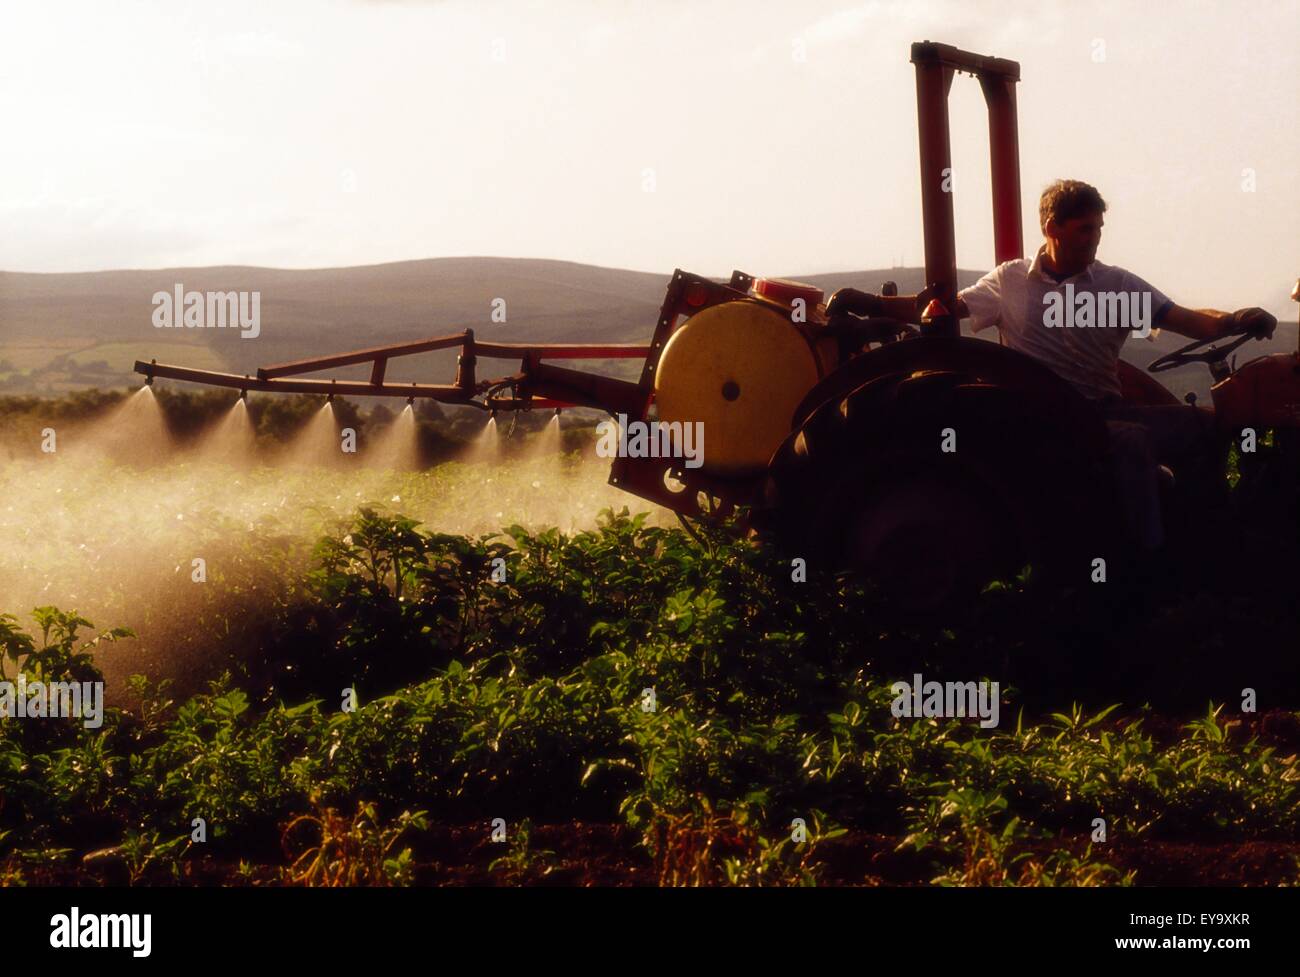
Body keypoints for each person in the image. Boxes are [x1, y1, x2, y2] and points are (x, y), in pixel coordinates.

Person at [825, 179, 1277, 552]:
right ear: (1051, 228)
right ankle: (1149, 562)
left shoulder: (1114, 284)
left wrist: (1238, 318)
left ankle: (1214, 541)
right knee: (1132, 442)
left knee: (1207, 426)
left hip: (1104, 409)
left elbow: (1191, 321)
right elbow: (942, 309)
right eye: (1084, 230)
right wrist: (869, 303)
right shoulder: (1010, 282)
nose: (1094, 238)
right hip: (1042, 417)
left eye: (1098, 229)